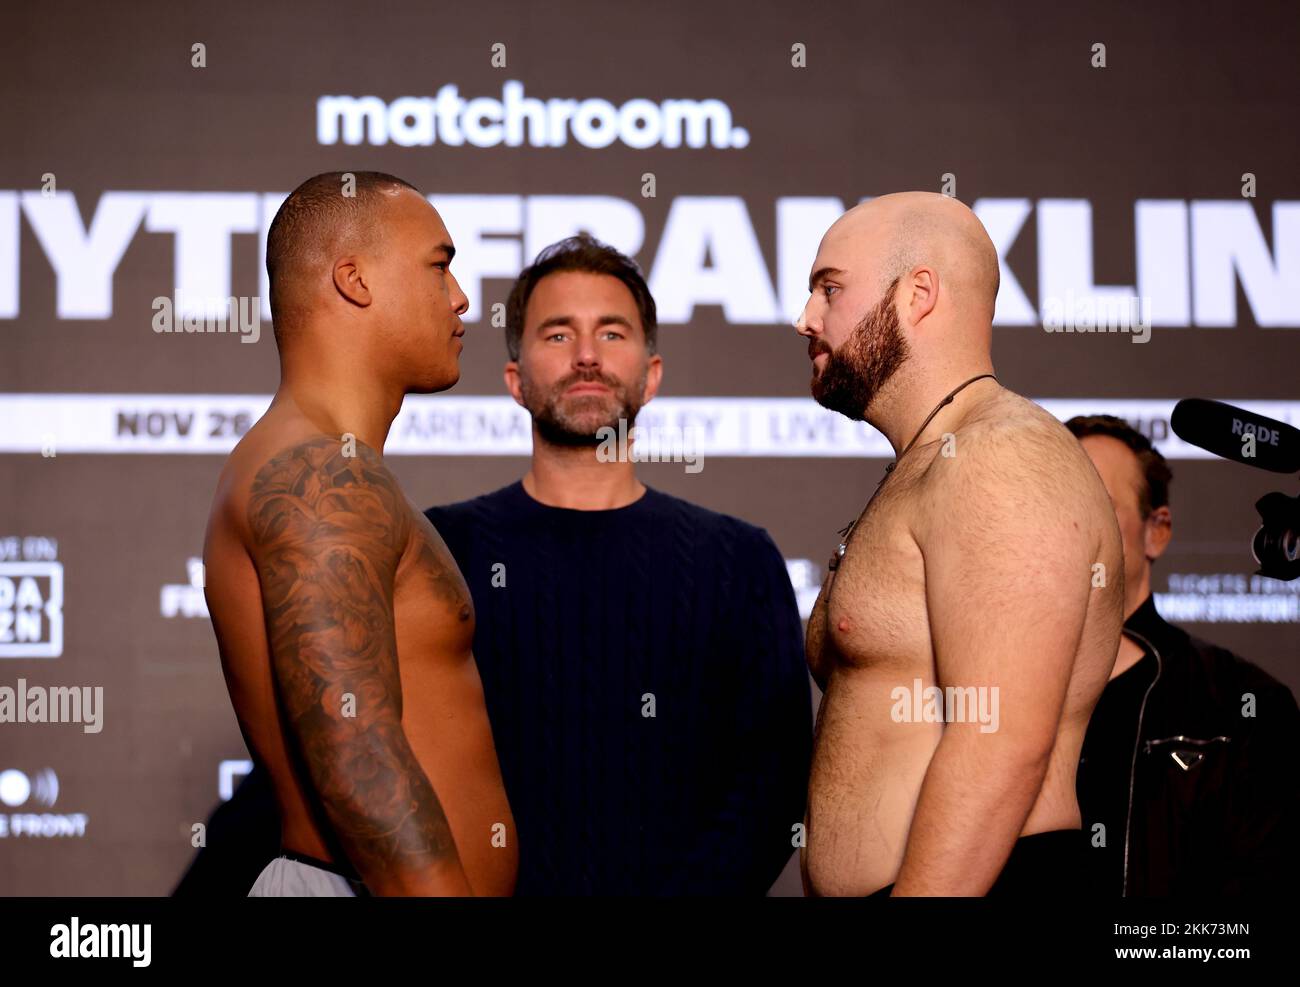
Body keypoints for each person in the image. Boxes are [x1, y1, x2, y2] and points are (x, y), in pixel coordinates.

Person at [426, 234, 812, 894]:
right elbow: (401, 769)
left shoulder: (739, 560)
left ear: (652, 374)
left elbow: (771, 788)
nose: (585, 356)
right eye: (556, 335)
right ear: (515, 381)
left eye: (611, 333)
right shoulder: (439, 548)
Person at [796, 192, 1124, 896]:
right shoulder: (928, 462)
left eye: (829, 289)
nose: (806, 319)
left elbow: (1000, 741)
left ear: (917, 293)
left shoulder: (997, 456)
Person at [201, 171, 516, 896]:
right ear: (354, 280)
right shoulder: (318, 471)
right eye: (439, 266)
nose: (462, 296)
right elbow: (356, 755)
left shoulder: (315, 459)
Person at [1068, 414, 1300, 895]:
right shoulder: (984, 694)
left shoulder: (1247, 704)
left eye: (1094, 504)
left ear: (1157, 531)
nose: (1065, 524)